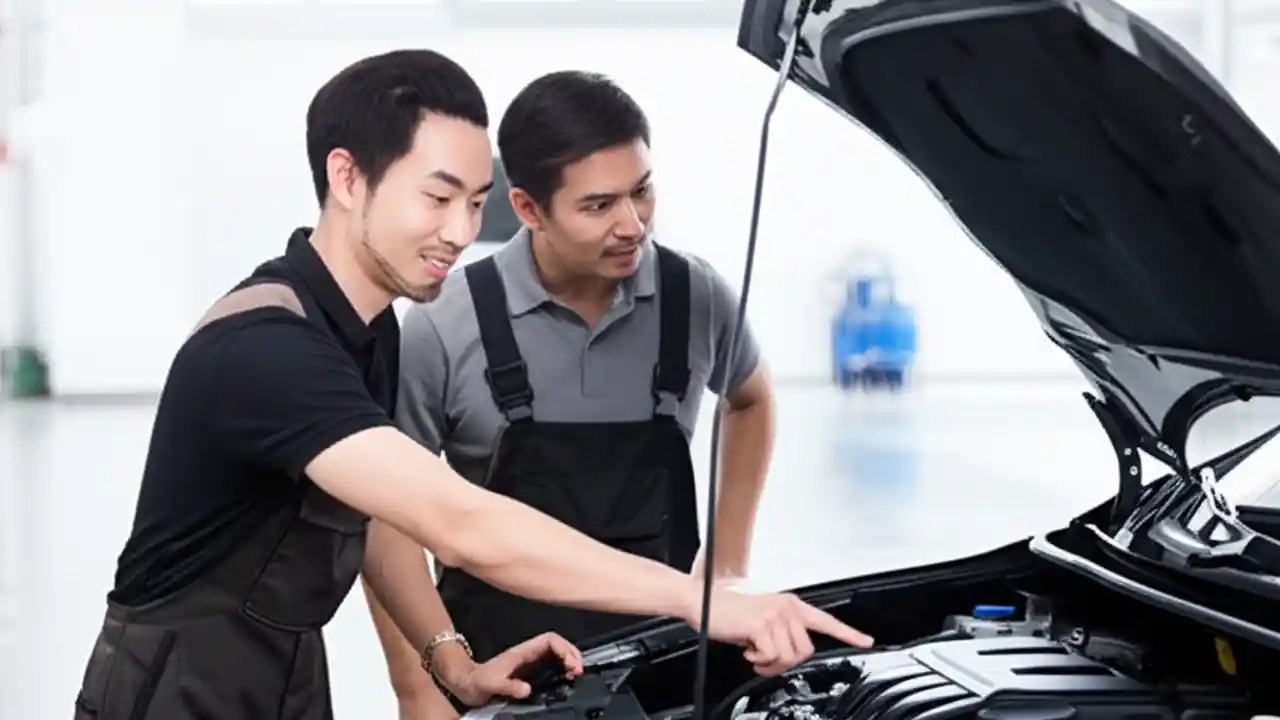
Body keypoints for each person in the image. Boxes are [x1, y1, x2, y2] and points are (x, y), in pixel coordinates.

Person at [71, 50, 873, 720]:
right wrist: (708, 601)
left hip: (283, 672)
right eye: (437, 198)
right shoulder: (268, 347)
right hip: (173, 690)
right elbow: (459, 524)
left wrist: (451, 665)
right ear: (347, 179)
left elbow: (381, 517)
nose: (460, 232)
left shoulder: (365, 326)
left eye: (476, 202)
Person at [362, 69, 780, 718]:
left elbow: (752, 399)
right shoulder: (447, 322)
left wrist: (726, 568)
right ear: (528, 209)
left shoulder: (695, 298)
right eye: (598, 205)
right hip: (506, 683)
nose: (633, 225)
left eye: (642, 193)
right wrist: (418, 685)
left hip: (660, 677)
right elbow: (384, 514)